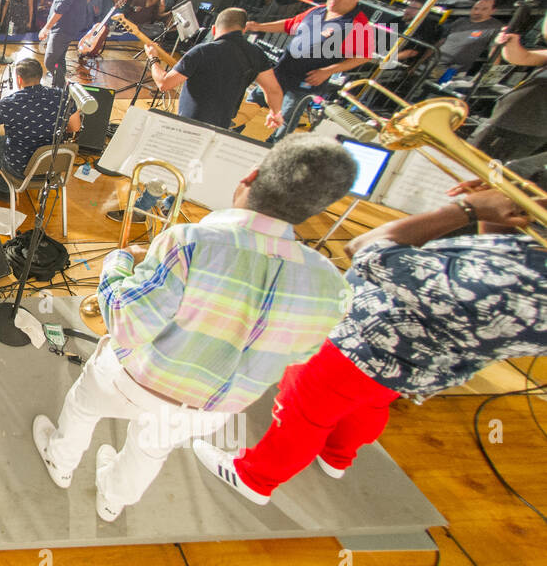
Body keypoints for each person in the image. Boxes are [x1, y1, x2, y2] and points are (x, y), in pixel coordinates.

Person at [32, 136, 358, 522]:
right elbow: (300, 355)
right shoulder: (330, 285)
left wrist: (119, 263)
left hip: (137, 379)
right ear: (316, 208)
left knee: (84, 407)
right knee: (151, 448)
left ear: (249, 178)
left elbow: (125, 323)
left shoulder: (189, 241)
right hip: (211, 405)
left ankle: (61, 461)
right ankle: (111, 499)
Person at [194, 178, 546, 506]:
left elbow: (366, 249)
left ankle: (254, 479)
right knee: (368, 406)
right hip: (419, 362)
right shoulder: (533, 266)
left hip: (361, 346)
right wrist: (501, 216)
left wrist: (466, 210)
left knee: (302, 415)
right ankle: (337, 456)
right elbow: (490, 256)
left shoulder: (513, 285)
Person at [245, 0, 375, 139]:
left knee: (285, 122)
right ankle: (233, 129)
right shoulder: (318, 10)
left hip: (305, 82)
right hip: (282, 70)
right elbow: (290, 25)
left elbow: (363, 56)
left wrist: (328, 71)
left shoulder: (357, 24)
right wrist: (258, 26)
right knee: (251, 102)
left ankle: (274, 149)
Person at [149, 6, 284, 131]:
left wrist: (153, 59)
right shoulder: (257, 54)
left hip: (189, 123)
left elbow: (164, 83)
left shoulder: (202, 51)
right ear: (243, 30)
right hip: (221, 127)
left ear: (213, 29)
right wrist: (275, 113)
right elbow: (273, 90)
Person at [0, 57, 81, 199]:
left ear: (19, 79)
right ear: (40, 77)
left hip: (19, 169)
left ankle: (4, 187)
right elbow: (75, 127)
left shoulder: (9, 104)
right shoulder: (62, 96)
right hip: (52, 168)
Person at [468, 30, 547, 161]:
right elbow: (521, 57)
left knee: (488, 170)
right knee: (469, 158)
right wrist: (510, 42)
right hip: (506, 116)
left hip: (531, 129)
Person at [37, 0, 90, 89]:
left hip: (63, 27)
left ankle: (61, 83)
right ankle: (59, 87)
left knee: (50, 60)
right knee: (59, 58)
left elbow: (62, 6)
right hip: (62, 25)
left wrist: (47, 28)